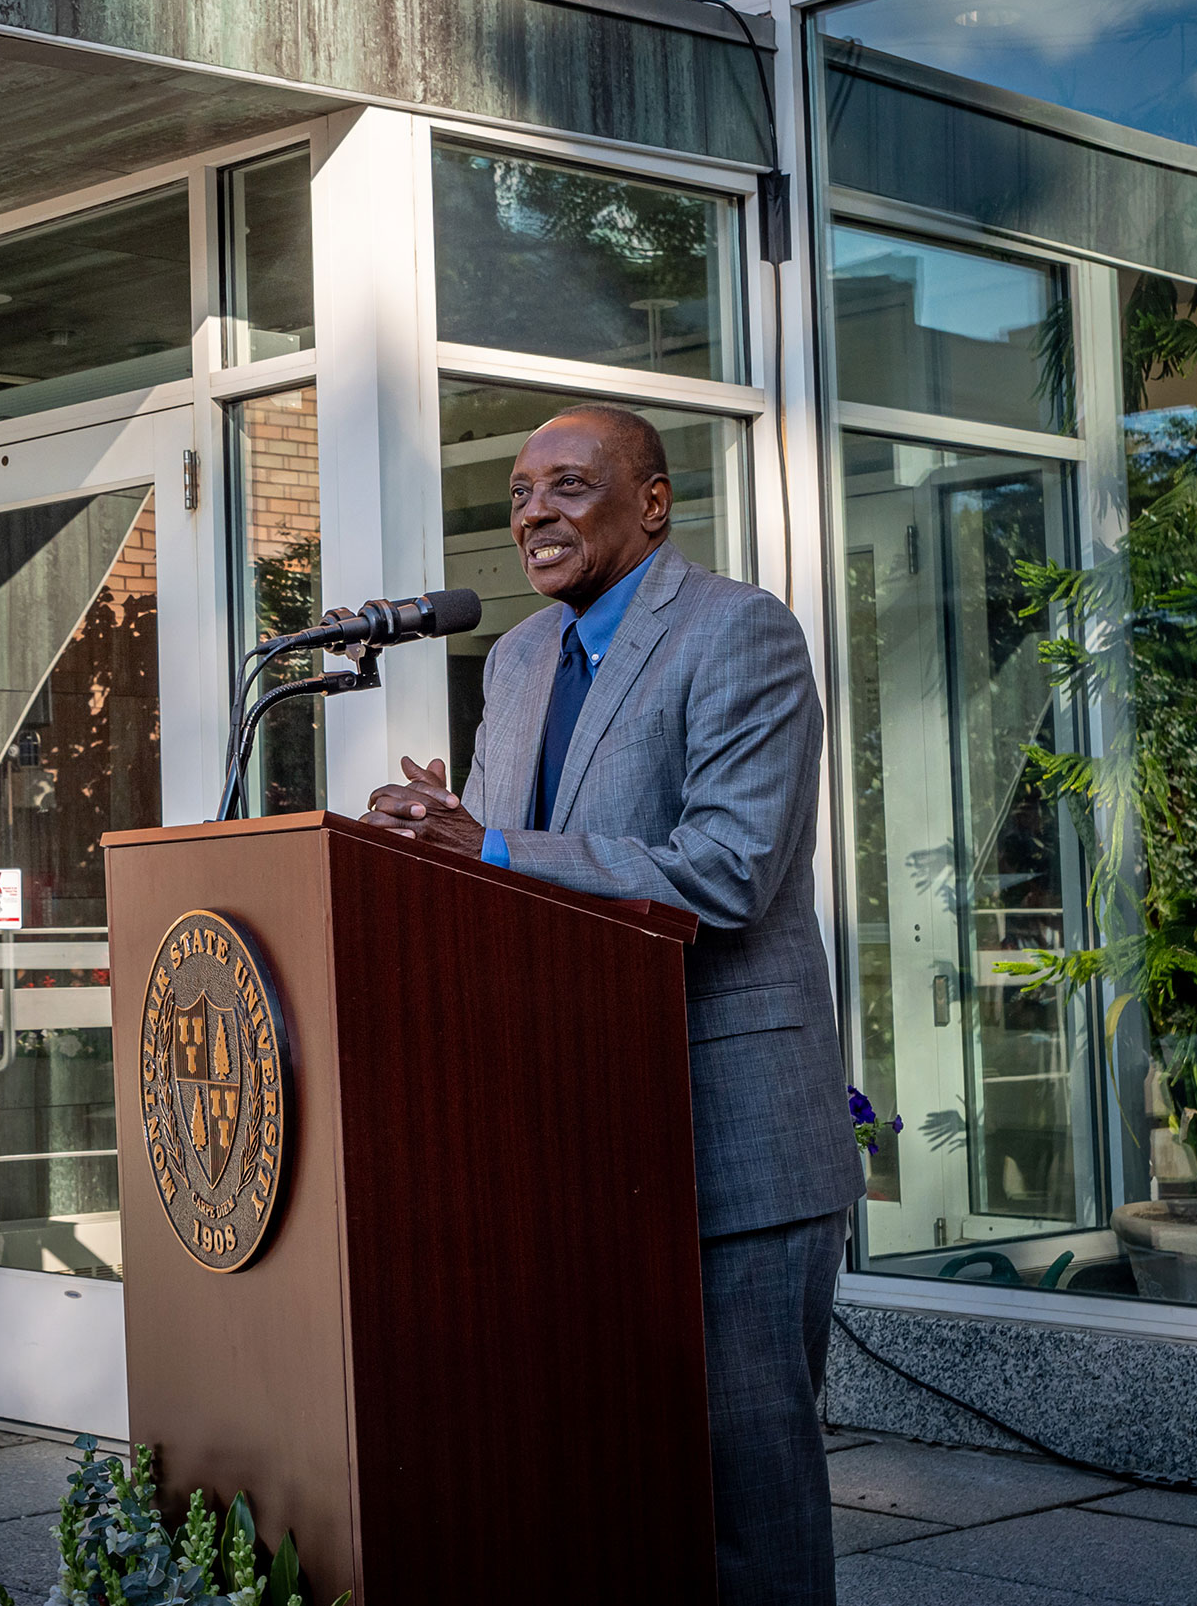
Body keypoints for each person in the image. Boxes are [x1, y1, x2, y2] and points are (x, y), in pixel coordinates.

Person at [360, 404, 860, 1605]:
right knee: (611, 1476)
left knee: (744, 1492)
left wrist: (493, 846)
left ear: (652, 501)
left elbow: (727, 871)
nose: (532, 511)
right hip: (575, 1144)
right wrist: (441, 839)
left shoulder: (739, 631)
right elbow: (511, 869)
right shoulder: (520, 656)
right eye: (518, 492)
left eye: (567, 485)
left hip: (725, 1130)